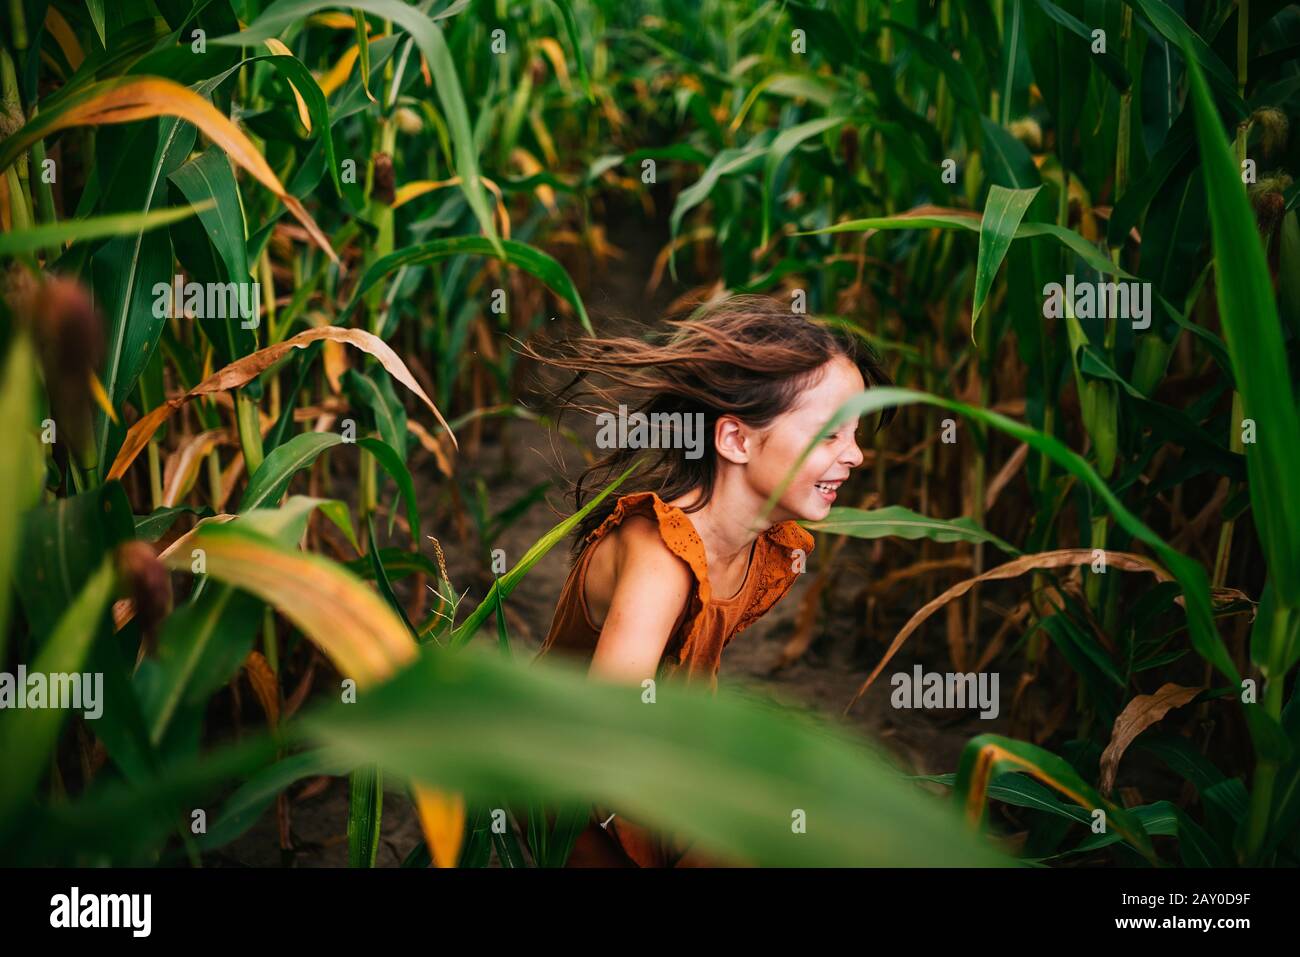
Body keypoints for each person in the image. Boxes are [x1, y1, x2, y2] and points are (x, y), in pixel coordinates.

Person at [519, 294, 893, 866]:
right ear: (736, 441)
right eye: (831, 435)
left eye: (856, 433)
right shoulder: (661, 558)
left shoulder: (761, 544)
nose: (856, 456)